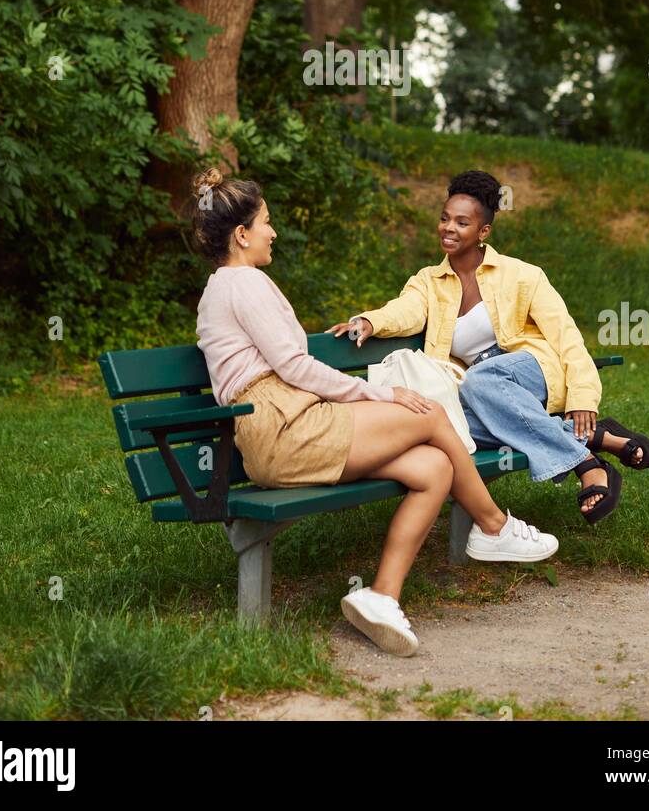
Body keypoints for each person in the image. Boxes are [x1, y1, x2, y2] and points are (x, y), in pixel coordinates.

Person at [193, 165, 559, 658]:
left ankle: (381, 597)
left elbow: (288, 368)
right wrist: (379, 394)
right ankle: (493, 526)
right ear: (241, 235)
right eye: (266, 223)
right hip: (284, 429)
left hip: (287, 425)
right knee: (428, 413)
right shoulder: (244, 284)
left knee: (434, 467)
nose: (273, 232)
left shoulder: (229, 285)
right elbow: (294, 365)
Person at [331, 169, 649, 525]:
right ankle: (591, 438)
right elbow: (405, 310)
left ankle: (586, 465)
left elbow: (567, 336)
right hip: (481, 390)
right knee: (451, 429)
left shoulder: (523, 275)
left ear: (483, 231)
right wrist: (369, 321)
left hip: (529, 369)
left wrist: (582, 398)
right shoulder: (428, 280)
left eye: (461, 222)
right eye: (444, 219)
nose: (448, 229)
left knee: (482, 378)